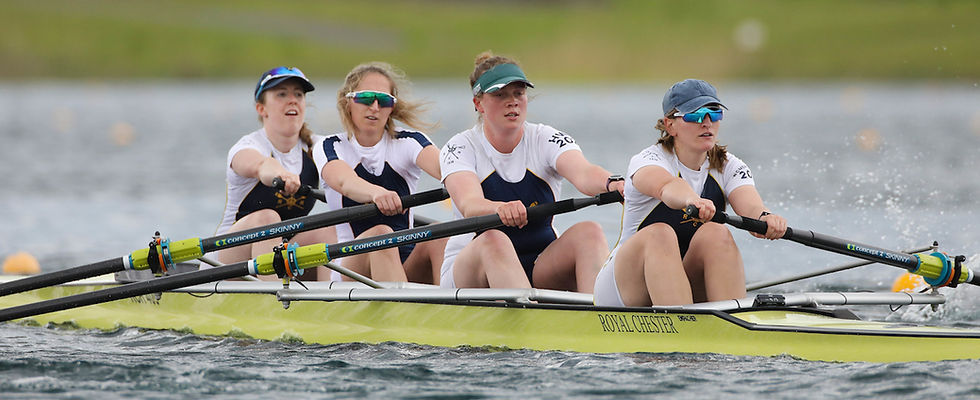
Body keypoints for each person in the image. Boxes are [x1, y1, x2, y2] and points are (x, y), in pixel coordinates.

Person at [438, 51, 623, 292]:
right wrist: (499, 208)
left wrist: (614, 183)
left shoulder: (545, 138)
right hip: (472, 270)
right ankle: (529, 320)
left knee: (590, 231)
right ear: (478, 103)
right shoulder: (459, 147)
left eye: (519, 93)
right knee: (495, 239)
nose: (512, 101)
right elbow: (469, 204)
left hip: (539, 262)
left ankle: (599, 320)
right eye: (499, 94)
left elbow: (584, 172)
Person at [593, 79, 788, 307]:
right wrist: (692, 200)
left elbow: (751, 205)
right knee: (660, 234)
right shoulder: (647, 161)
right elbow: (666, 186)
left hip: (679, 283)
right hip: (623, 291)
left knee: (717, 234)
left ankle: (734, 330)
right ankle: (685, 331)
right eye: (695, 115)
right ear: (670, 125)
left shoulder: (730, 166)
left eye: (714, 114)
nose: (706, 123)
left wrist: (765, 218)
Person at [313, 62, 446, 284]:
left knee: (440, 234)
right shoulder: (329, 146)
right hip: (351, 271)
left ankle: (453, 311)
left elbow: (448, 170)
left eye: (384, 100)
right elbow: (344, 182)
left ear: (392, 107)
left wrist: (465, 182)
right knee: (381, 233)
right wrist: (376, 193)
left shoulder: (410, 142)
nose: (374, 107)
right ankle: (404, 313)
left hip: (405, 264)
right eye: (366, 98)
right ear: (348, 102)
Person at [214, 66, 336, 280]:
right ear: (262, 109)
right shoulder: (247, 146)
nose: (292, 100)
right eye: (281, 94)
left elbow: (347, 172)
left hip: (285, 257)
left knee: (330, 230)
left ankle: (333, 303)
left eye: (298, 94)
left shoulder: (317, 147)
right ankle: (273, 303)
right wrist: (281, 174)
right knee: (268, 219)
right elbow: (261, 165)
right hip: (230, 263)